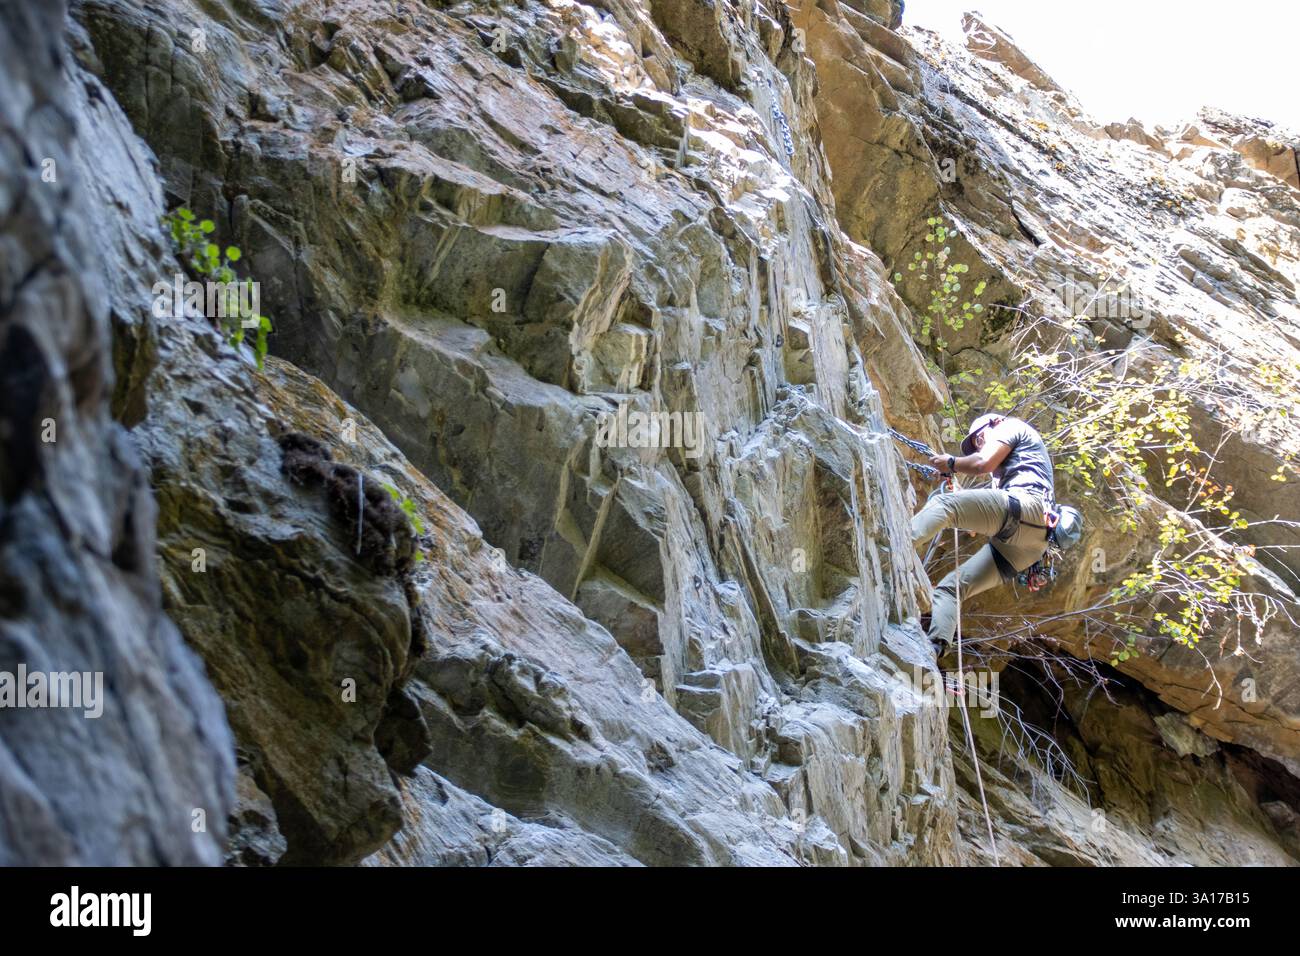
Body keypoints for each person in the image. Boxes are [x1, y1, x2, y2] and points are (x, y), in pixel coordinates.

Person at [912, 413, 1055, 652]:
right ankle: (935, 647)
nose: (980, 445)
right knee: (951, 588)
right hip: (1031, 544)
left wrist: (951, 463)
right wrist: (954, 482)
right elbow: (973, 527)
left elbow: (981, 464)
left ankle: (897, 543)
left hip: (1024, 506)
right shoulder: (1007, 475)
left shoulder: (1010, 426)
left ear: (993, 424)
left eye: (980, 439)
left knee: (943, 507)